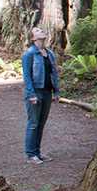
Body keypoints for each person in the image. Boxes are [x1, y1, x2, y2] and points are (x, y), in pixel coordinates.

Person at [22, 27, 60, 164]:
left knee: (41, 124)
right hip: (35, 93)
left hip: (47, 92)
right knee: (33, 123)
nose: (41, 30)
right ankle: (31, 154)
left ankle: (38, 152)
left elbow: (54, 73)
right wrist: (32, 94)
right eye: (37, 30)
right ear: (33, 38)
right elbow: (27, 77)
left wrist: (56, 91)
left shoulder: (49, 53)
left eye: (41, 29)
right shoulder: (29, 54)